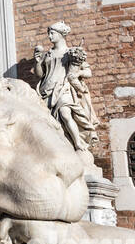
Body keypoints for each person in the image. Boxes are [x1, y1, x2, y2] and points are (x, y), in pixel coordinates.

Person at [33, 22, 99, 154]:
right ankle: (60, 147)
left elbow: (88, 72)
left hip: (64, 88)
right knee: (50, 122)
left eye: (52, 33)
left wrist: (78, 73)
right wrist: (38, 62)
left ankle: (78, 142)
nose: (49, 36)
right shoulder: (48, 54)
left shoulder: (71, 53)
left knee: (65, 113)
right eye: (49, 33)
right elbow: (40, 74)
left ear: (61, 35)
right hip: (46, 90)